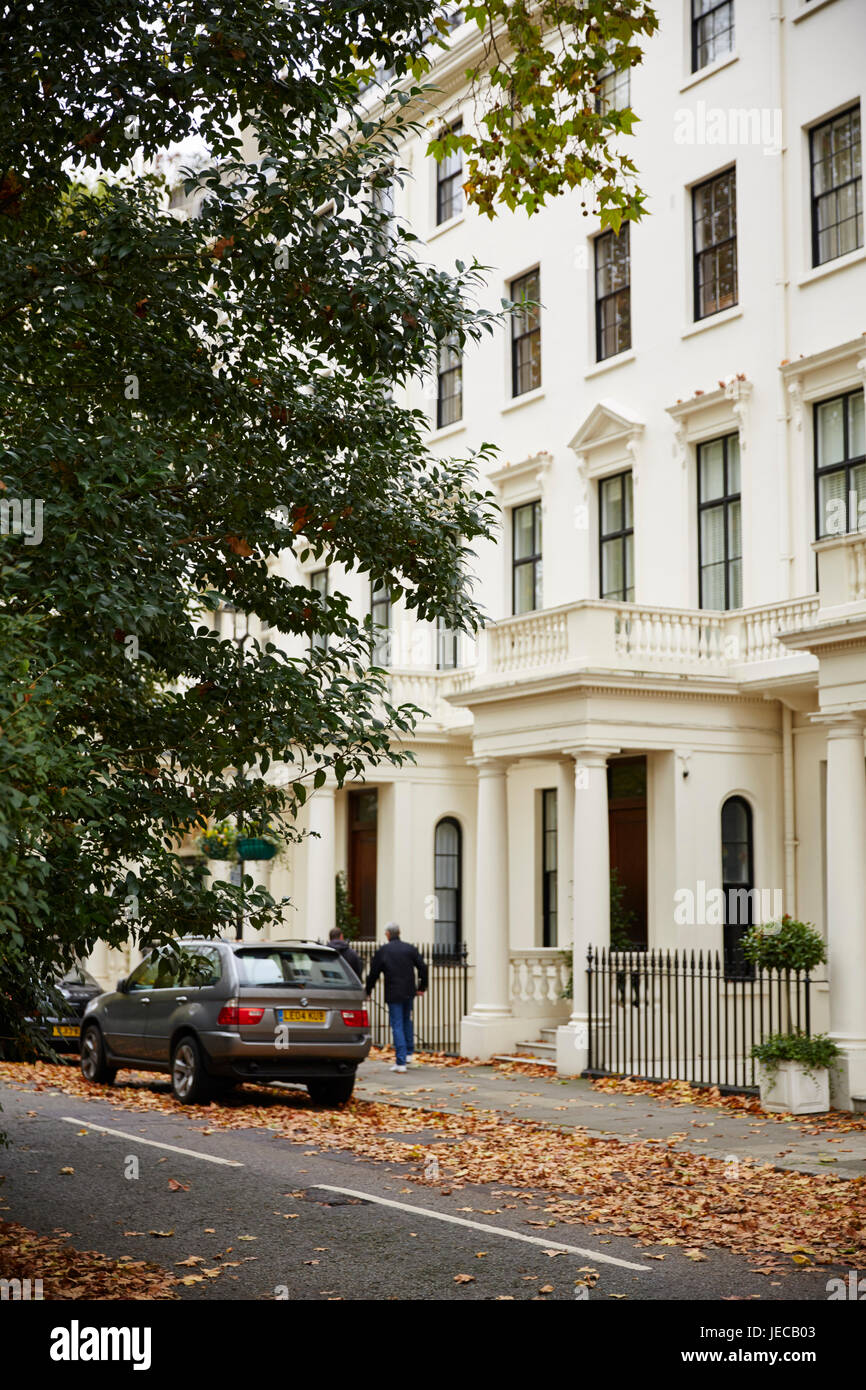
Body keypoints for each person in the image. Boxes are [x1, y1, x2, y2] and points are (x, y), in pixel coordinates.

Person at [365, 923, 428, 1072]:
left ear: (387, 934)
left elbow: (373, 974)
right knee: (407, 1021)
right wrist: (421, 987)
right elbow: (423, 968)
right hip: (408, 991)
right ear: (399, 932)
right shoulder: (409, 948)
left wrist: (368, 991)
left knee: (397, 1024)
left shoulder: (384, 951)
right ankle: (408, 1054)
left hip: (393, 992)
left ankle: (400, 1063)